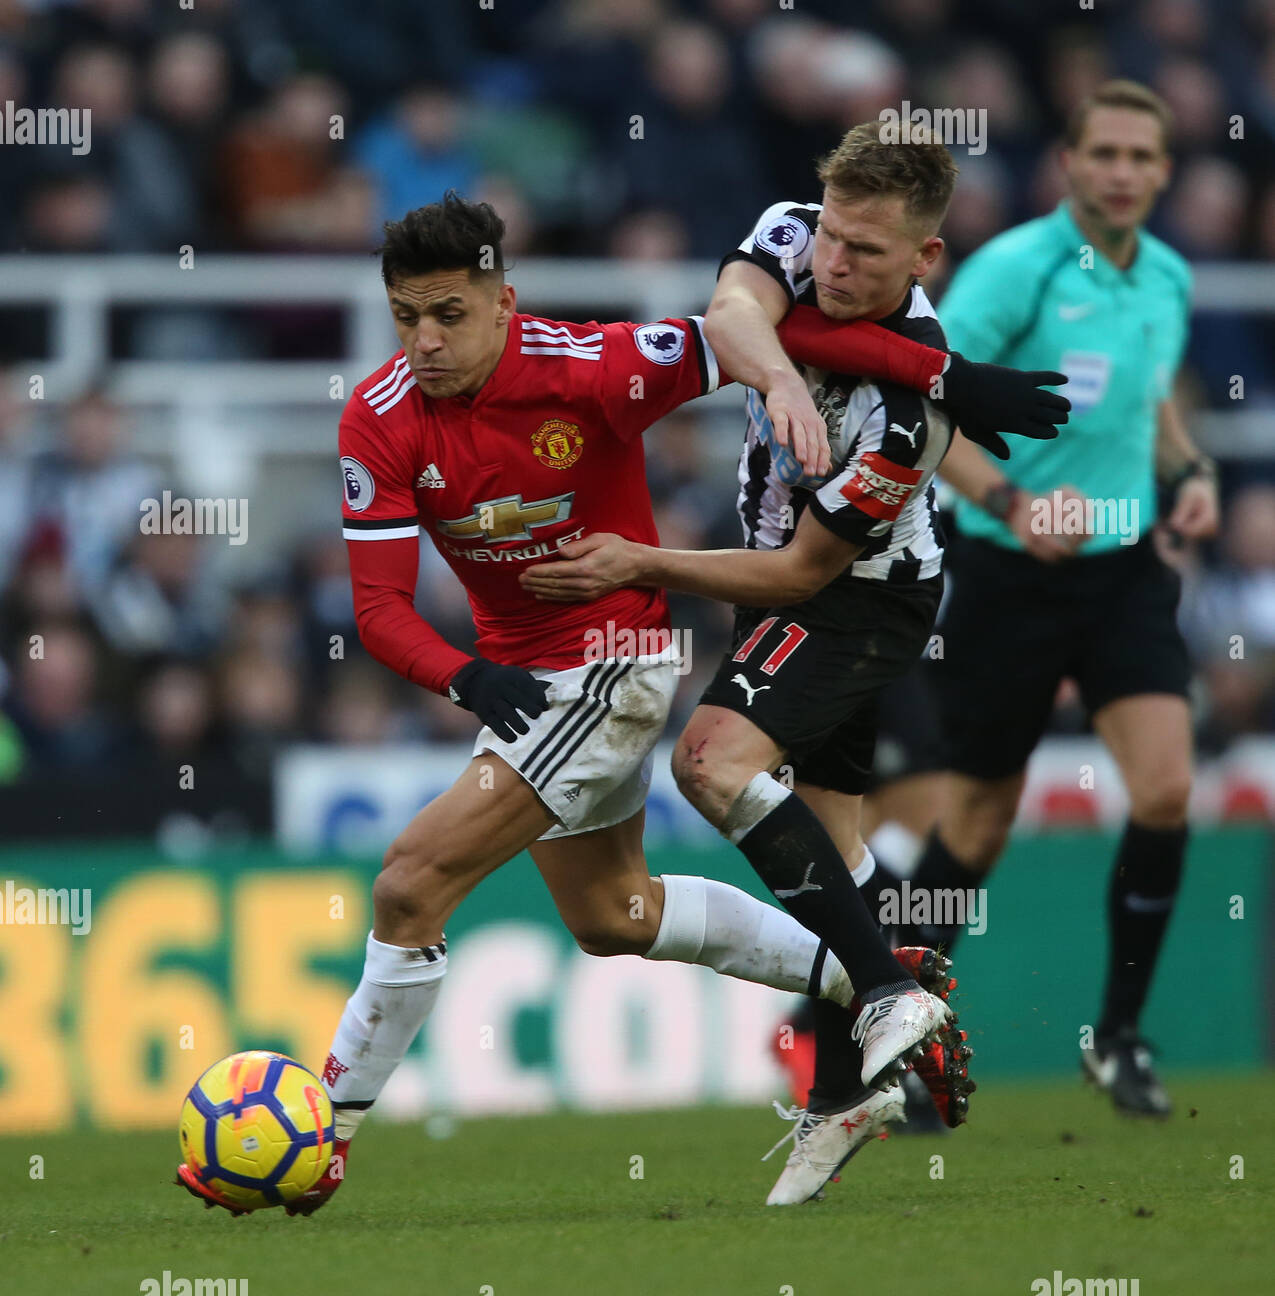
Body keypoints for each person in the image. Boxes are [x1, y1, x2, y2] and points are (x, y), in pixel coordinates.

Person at [175, 190, 1066, 1215]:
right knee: (614, 914)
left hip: (616, 659)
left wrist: (945, 377)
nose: (425, 340)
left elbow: (758, 327)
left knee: (409, 884)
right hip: (518, 686)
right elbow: (377, 611)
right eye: (407, 317)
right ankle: (878, 972)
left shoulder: (591, 364)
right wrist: (465, 675)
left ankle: (323, 1133)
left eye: (450, 315)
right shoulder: (377, 421)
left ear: (503, 301)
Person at [522, 122, 1070, 1202]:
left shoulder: (907, 420)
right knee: (836, 845)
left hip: (855, 604)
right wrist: (774, 377)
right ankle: (845, 1094)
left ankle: (888, 989)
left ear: (925, 259)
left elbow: (798, 578)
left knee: (711, 762)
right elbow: (730, 314)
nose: (833, 261)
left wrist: (637, 559)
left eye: (868, 251)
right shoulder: (789, 234)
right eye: (831, 236)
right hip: (788, 583)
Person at [883, 80, 1219, 1117]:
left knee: (1165, 790)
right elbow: (923, 399)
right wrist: (1015, 501)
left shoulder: (1166, 276)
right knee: (976, 824)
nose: (1122, 171)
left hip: (1123, 572)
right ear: (1068, 162)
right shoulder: (1017, 269)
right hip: (1008, 574)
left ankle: (1117, 1038)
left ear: (1164, 171)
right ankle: (895, 1032)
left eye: (1141, 156)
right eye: (1104, 151)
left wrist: (1191, 467)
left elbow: (1151, 395)